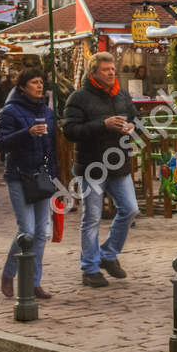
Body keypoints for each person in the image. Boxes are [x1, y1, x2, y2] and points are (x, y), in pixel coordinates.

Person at [63, 51, 142, 288]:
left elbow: (138, 119)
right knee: (92, 217)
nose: (111, 73)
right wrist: (102, 124)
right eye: (106, 70)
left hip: (118, 163)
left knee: (130, 209)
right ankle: (89, 268)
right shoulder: (79, 97)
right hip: (91, 165)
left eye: (112, 69)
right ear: (93, 72)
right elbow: (69, 130)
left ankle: (108, 254)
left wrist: (131, 126)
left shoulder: (122, 94)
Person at [0, 70, 58, 300]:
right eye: (34, 82)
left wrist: (55, 178)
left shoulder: (47, 112)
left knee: (41, 233)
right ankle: (9, 273)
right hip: (19, 176)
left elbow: (52, 149)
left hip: (41, 177)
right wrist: (26, 133)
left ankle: (33, 281)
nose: (39, 86)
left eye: (41, 82)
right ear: (22, 87)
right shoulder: (10, 110)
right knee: (26, 231)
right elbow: (0, 144)